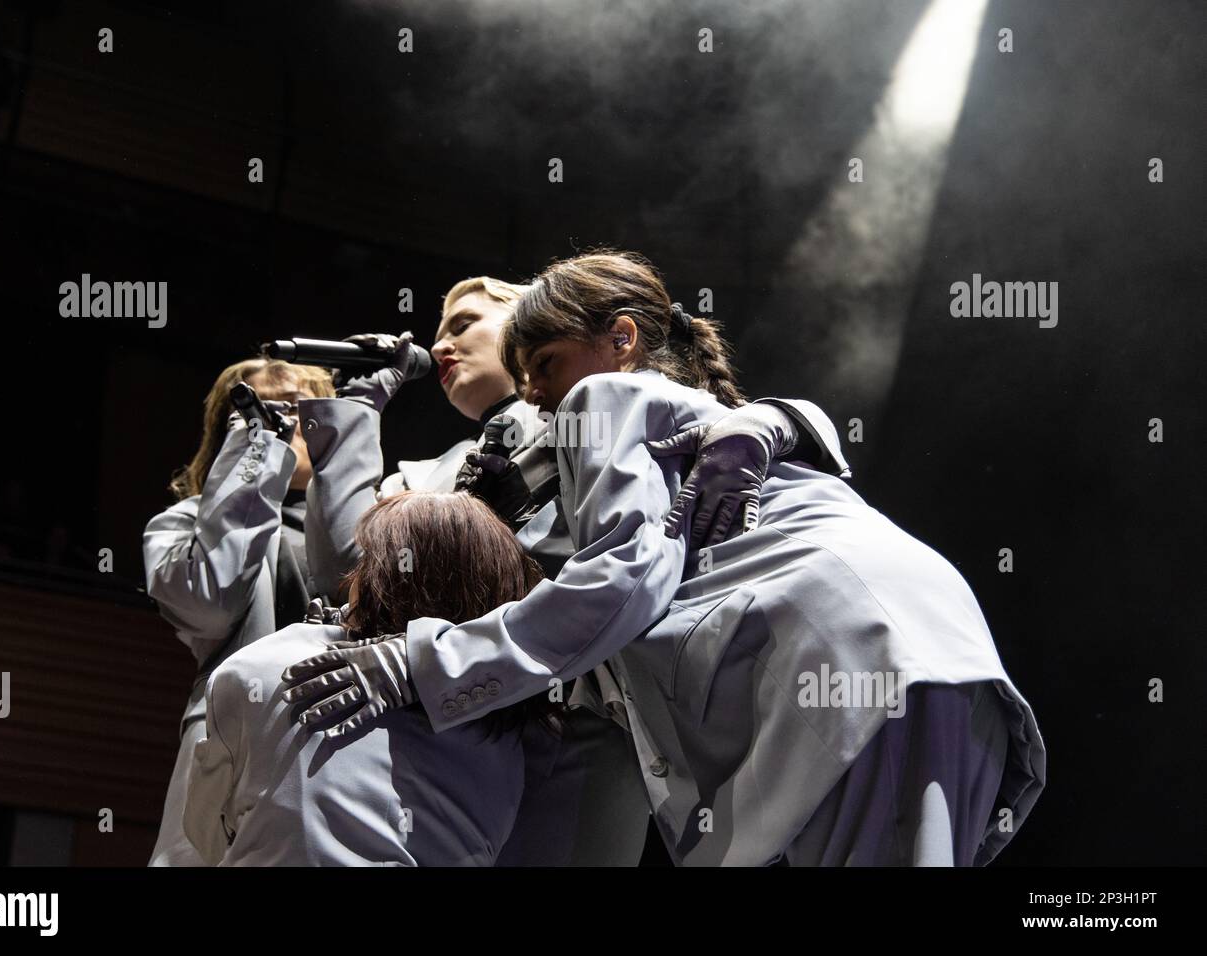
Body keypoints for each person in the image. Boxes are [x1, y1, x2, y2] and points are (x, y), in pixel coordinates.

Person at [284, 250, 1047, 866]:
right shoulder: (675, 419)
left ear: (621, 340)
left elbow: (622, 580)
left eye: (544, 366)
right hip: (934, 647)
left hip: (835, 655)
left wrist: (425, 664)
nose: (540, 400)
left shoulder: (601, 402)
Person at [299, 275, 850, 865]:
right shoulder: (426, 475)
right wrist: (354, 417)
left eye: (464, 324)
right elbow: (344, 567)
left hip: (575, 734)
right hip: (442, 720)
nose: (440, 348)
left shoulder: (597, 397)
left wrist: (779, 420)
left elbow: (702, 442)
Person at [183, 491, 551, 866]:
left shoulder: (263, 664)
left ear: (384, 574)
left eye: (365, 561)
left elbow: (205, 828)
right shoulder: (515, 735)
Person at [142, 356, 333, 866]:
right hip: (236, 739)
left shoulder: (372, 520)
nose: (283, 423)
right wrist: (255, 459)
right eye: (261, 411)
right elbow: (209, 603)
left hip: (341, 738)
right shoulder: (183, 522)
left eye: (299, 407)